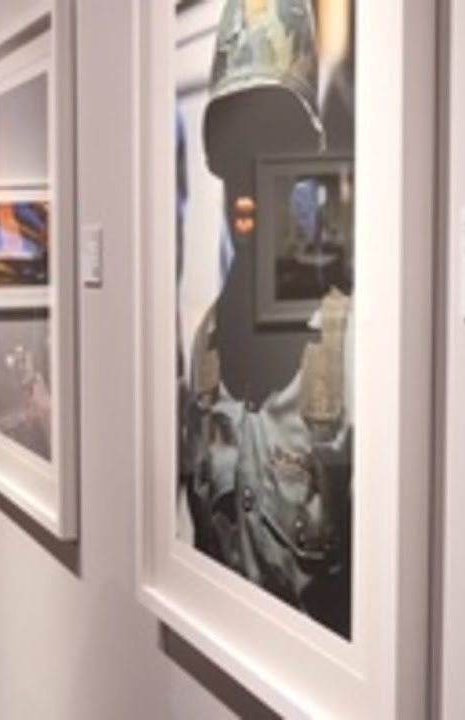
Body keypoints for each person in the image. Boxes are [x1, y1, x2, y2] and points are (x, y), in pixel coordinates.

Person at [177, 0, 354, 637]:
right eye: (234, 144)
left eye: (272, 141)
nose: (249, 177)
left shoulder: (351, 351)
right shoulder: (208, 351)